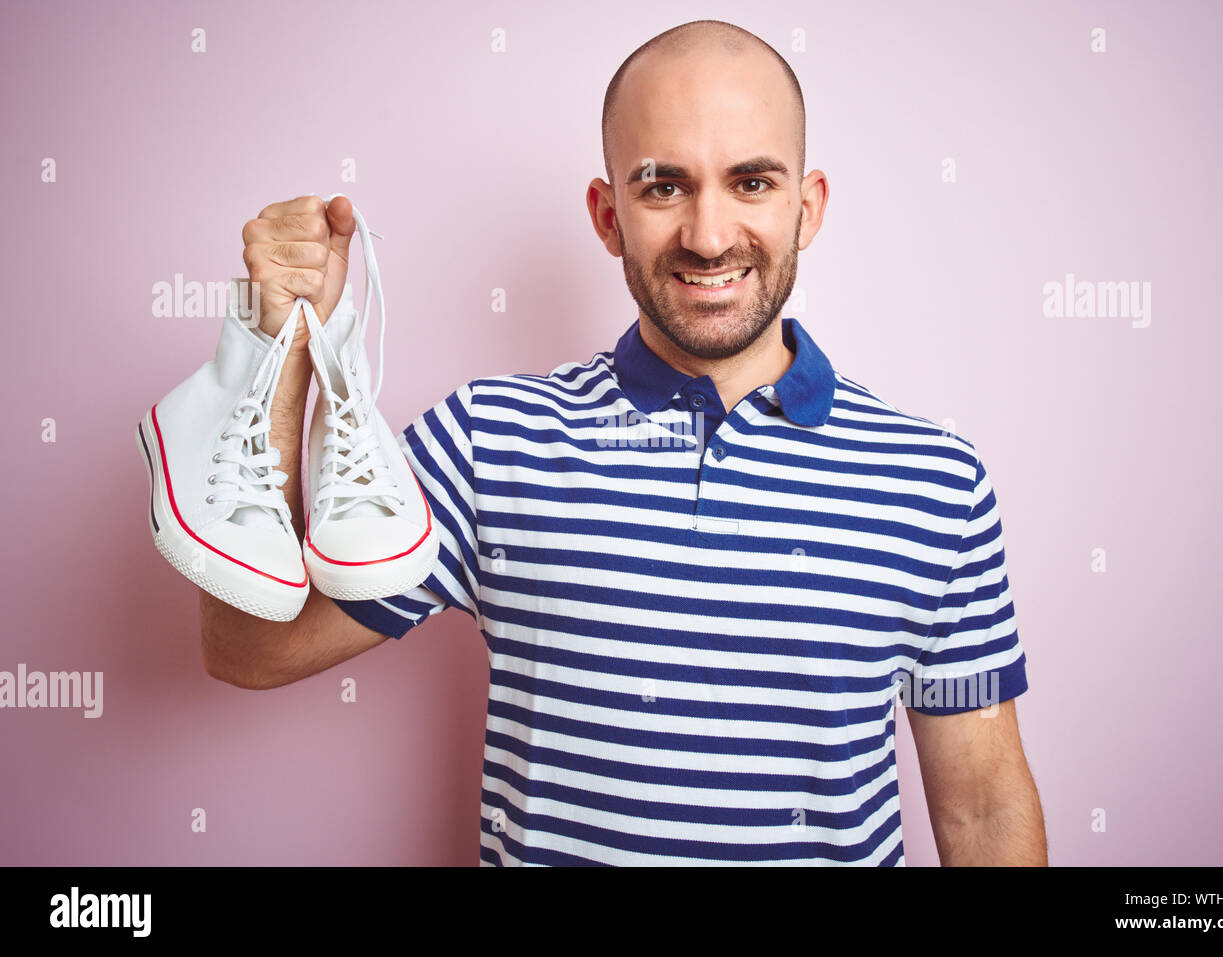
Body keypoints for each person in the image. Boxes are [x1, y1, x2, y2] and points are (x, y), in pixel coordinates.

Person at [206, 18, 1047, 865]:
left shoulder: (937, 484)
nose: (709, 235)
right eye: (662, 186)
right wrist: (284, 349)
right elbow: (252, 646)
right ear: (608, 215)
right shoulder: (489, 444)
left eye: (751, 182)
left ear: (808, 206)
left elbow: (981, 809)